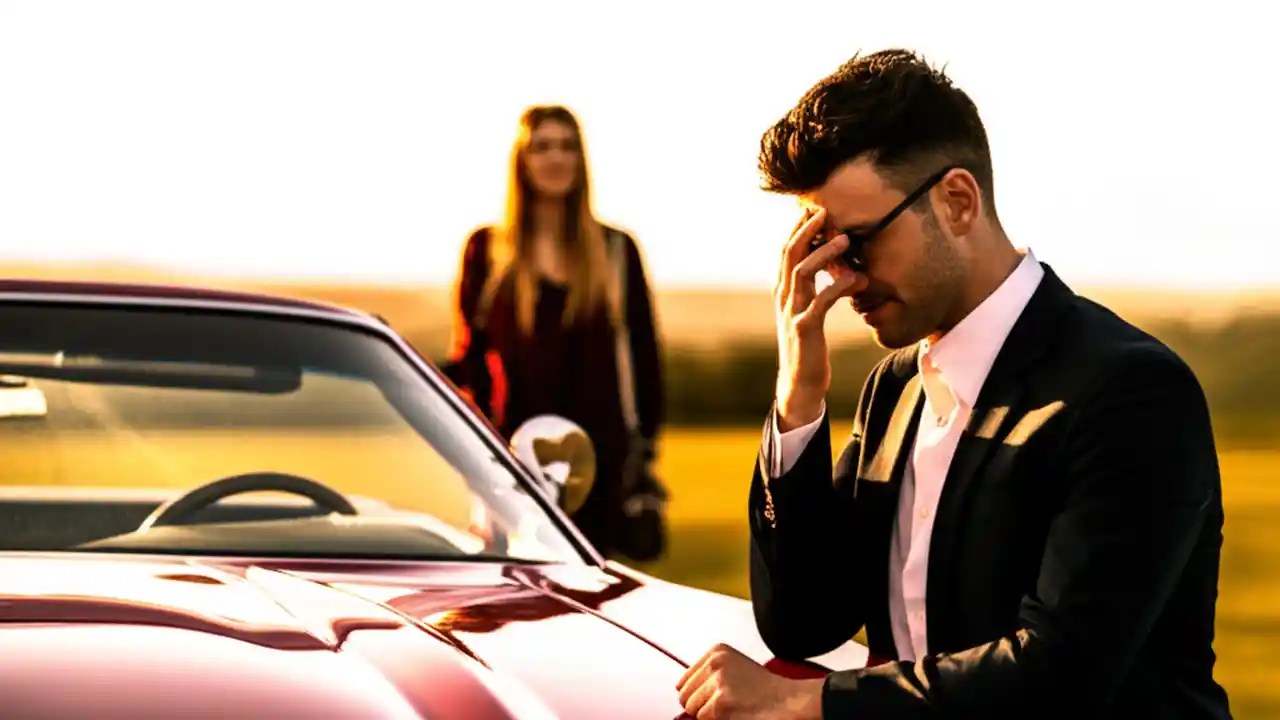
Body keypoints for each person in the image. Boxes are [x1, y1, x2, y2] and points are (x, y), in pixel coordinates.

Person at [676, 49, 1229, 719]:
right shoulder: (894, 390)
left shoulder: (1130, 391)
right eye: (821, 255)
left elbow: (1060, 672)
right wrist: (798, 397)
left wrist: (811, 704)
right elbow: (801, 622)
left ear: (957, 202)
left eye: (855, 244)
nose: (839, 281)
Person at [442, 105, 665, 561]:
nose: (556, 158)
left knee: (589, 590)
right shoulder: (486, 250)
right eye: (542, 146)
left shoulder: (615, 250)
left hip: (597, 461)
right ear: (521, 160)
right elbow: (469, 357)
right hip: (507, 460)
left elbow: (644, 357)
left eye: (567, 146)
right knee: (511, 592)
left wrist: (643, 454)